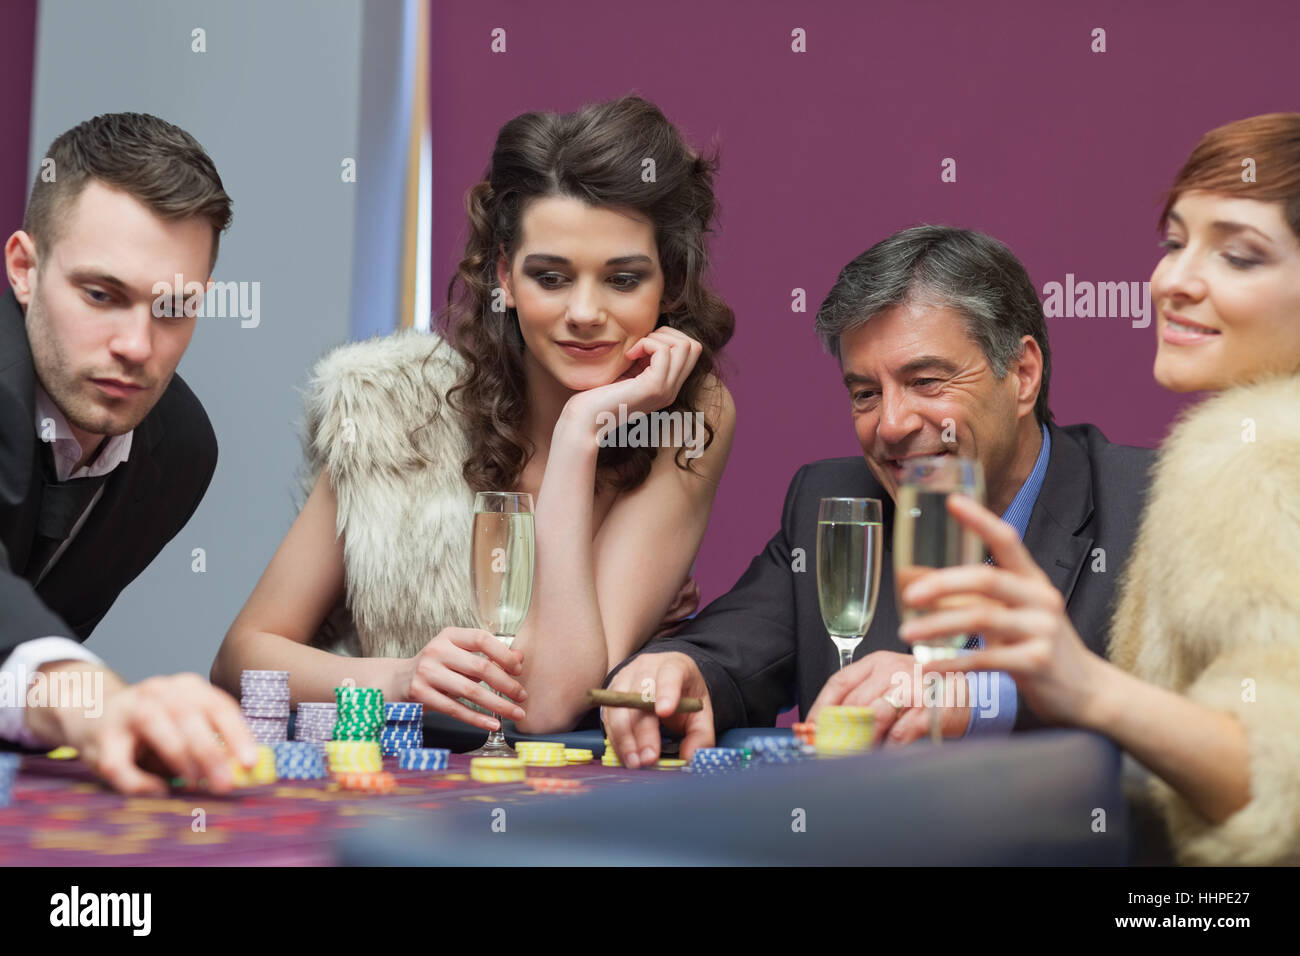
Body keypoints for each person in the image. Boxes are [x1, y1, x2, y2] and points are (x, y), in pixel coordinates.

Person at [212, 95, 736, 735]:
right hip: (389, 795)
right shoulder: (395, 410)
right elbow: (242, 654)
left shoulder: (687, 420)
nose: (585, 312)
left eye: (623, 280)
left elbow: (548, 702)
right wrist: (401, 679)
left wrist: (578, 435)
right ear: (505, 279)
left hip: (560, 810)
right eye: (551, 277)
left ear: (670, 286)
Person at [895, 114, 1300, 865]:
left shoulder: (1249, 458)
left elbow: (1282, 780)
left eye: (1240, 256)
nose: (1174, 281)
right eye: (1176, 242)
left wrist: (1086, 686)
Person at [604, 225, 1154, 767]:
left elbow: (1190, 711)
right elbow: (727, 654)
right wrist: (675, 669)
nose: (890, 425)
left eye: (926, 382)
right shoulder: (834, 503)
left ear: (1023, 375)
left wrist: (976, 699)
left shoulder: (1149, 506)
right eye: (866, 393)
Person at [0, 112, 258, 793]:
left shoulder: (181, 450)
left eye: (173, 307)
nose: (138, 348)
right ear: (24, 269)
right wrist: (93, 698)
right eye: (101, 295)